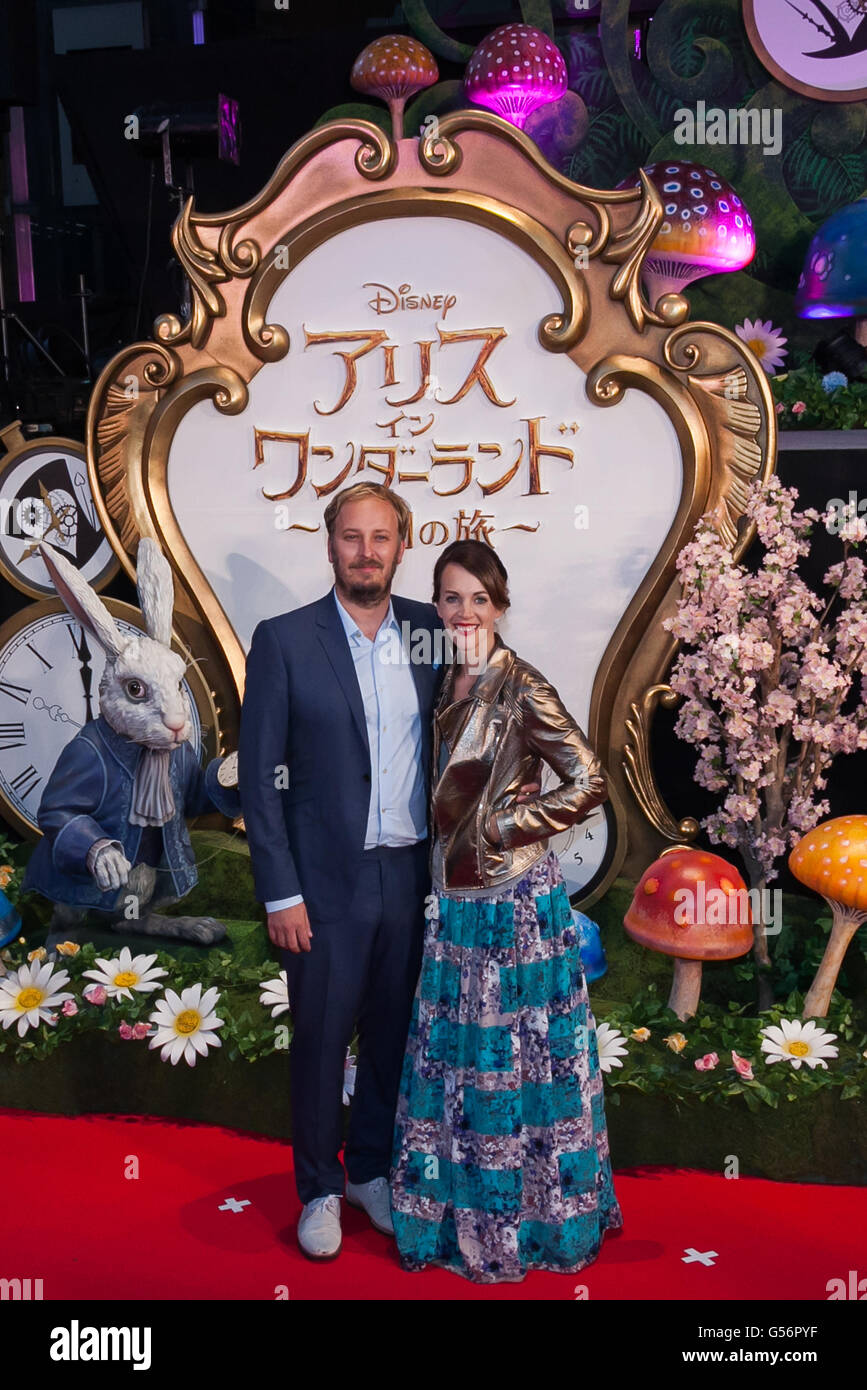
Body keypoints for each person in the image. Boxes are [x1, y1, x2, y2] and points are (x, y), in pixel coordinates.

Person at [238, 484, 539, 1261]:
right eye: (350, 536)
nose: (365, 551)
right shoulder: (283, 639)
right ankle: (314, 1188)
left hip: (413, 881)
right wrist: (281, 890)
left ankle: (370, 1171)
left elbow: (486, 711)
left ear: (401, 544)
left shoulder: (428, 629)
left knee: (394, 1037)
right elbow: (259, 775)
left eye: (380, 537)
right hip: (322, 888)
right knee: (320, 1038)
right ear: (328, 544)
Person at [390, 539, 624, 1283]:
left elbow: (588, 780)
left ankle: (529, 1226)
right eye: (451, 598)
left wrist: (502, 826)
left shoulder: (519, 684)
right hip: (452, 904)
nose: (464, 612)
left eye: (478, 599)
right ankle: (458, 1216)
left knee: (517, 1067)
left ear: (500, 605)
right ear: (436, 606)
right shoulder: (440, 679)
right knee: (457, 1068)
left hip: (513, 909)